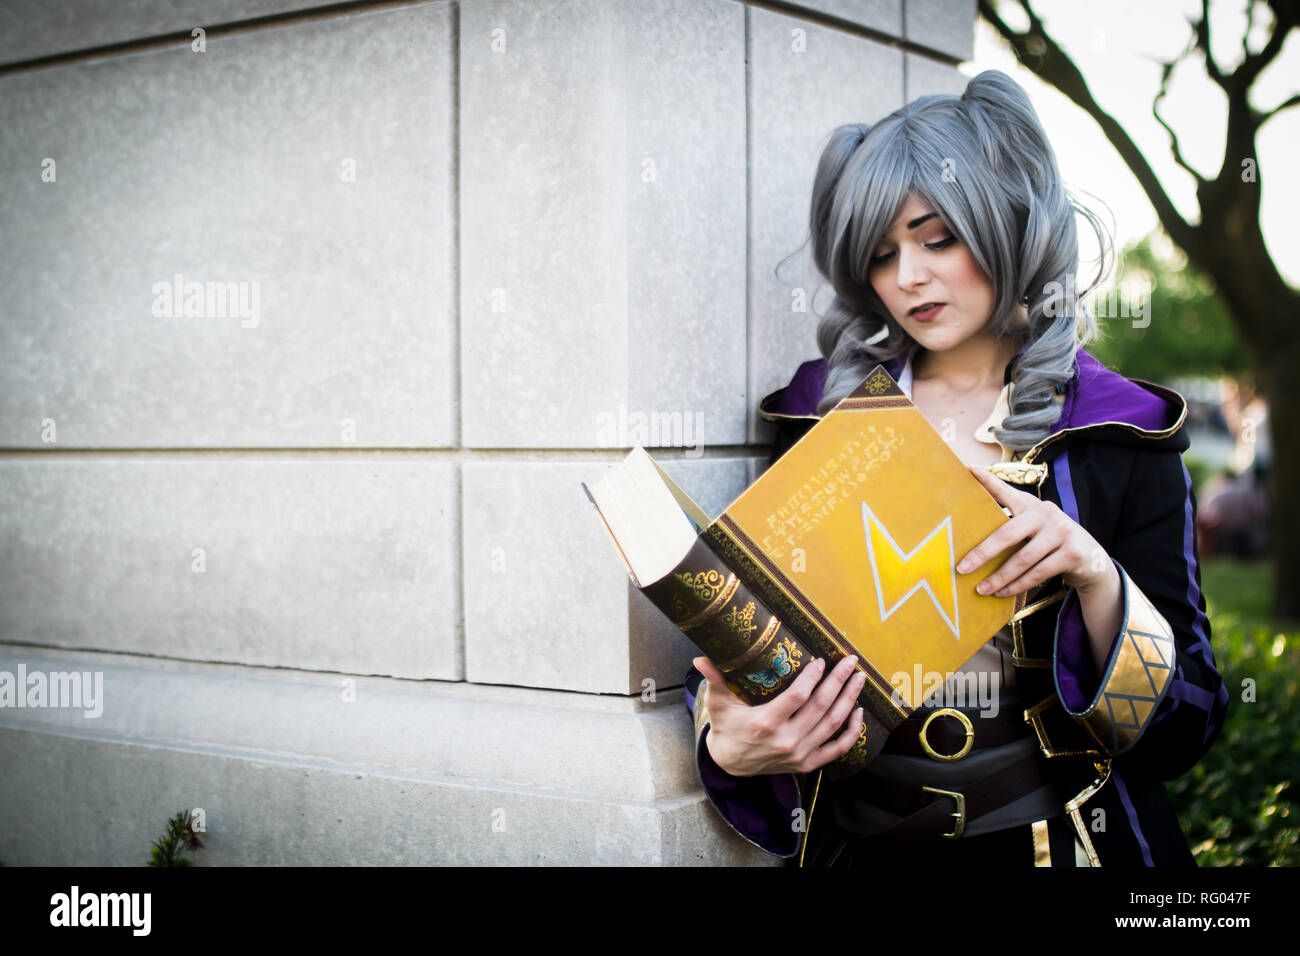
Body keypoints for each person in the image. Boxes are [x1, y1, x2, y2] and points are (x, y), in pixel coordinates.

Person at [682, 69, 1228, 867]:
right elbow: (748, 631)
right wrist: (727, 736)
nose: (907, 277)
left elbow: (1193, 718)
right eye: (881, 255)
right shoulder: (815, 418)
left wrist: (1096, 578)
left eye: (938, 239)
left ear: (1009, 223)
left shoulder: (1122, 431)